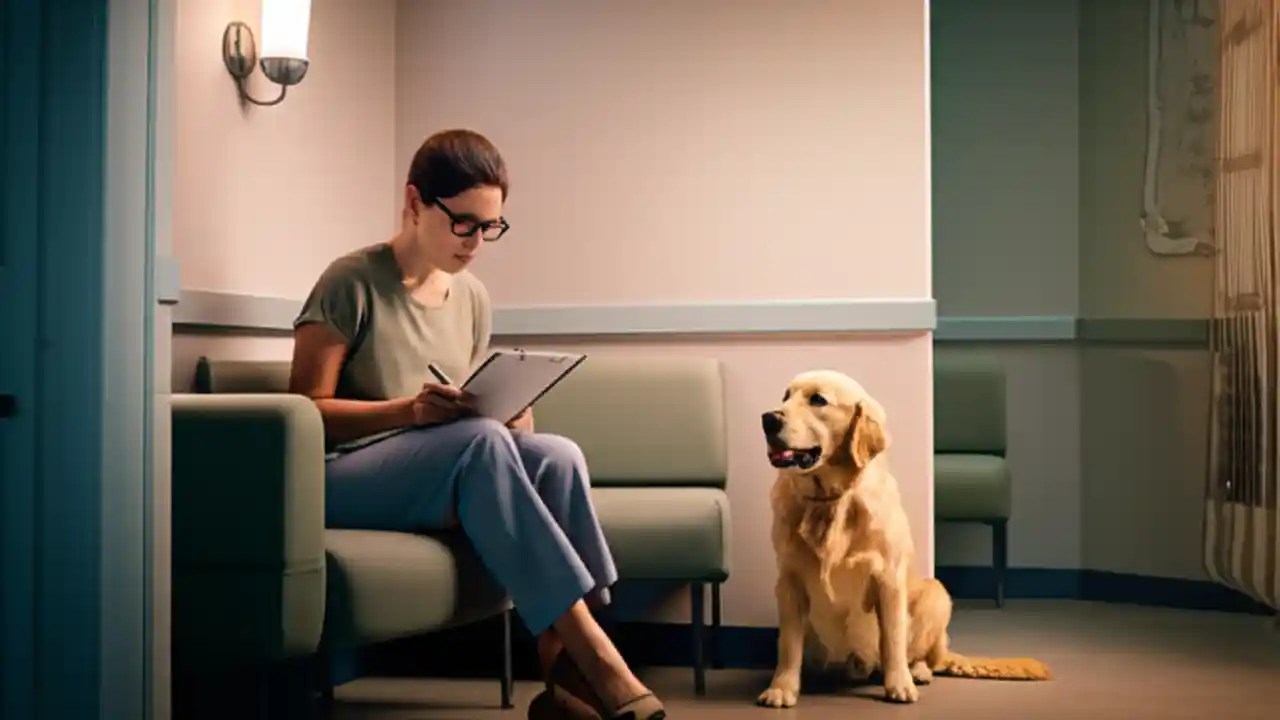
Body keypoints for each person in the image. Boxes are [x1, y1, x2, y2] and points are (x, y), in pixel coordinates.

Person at [287, 129, 665, 720]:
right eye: (464, 223)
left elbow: (471, 414)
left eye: (491, 227)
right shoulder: (350, 281)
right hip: (340, 476)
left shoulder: (472, 296)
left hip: (437, 463)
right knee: (484, 442)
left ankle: (560, 673)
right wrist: (409, 411)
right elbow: (303, 412)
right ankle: (597, 658)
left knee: (557, 453)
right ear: (414, 202)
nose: (478, 242)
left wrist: (511, 413)